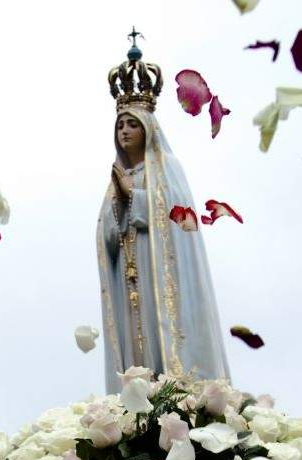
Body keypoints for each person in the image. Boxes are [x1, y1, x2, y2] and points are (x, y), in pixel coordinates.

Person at [96, 38, 230, 394]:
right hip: (130, 276)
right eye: (120, 125)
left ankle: (175, 390)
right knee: (135, 347)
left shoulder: (167, 168)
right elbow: (107, 234)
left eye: (132, 124)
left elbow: (176, 221)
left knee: (160, 335)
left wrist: (134, 197)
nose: (124, 131)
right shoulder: (116, 180)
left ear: (148, 129)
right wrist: (118, 207)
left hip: (160, 272)